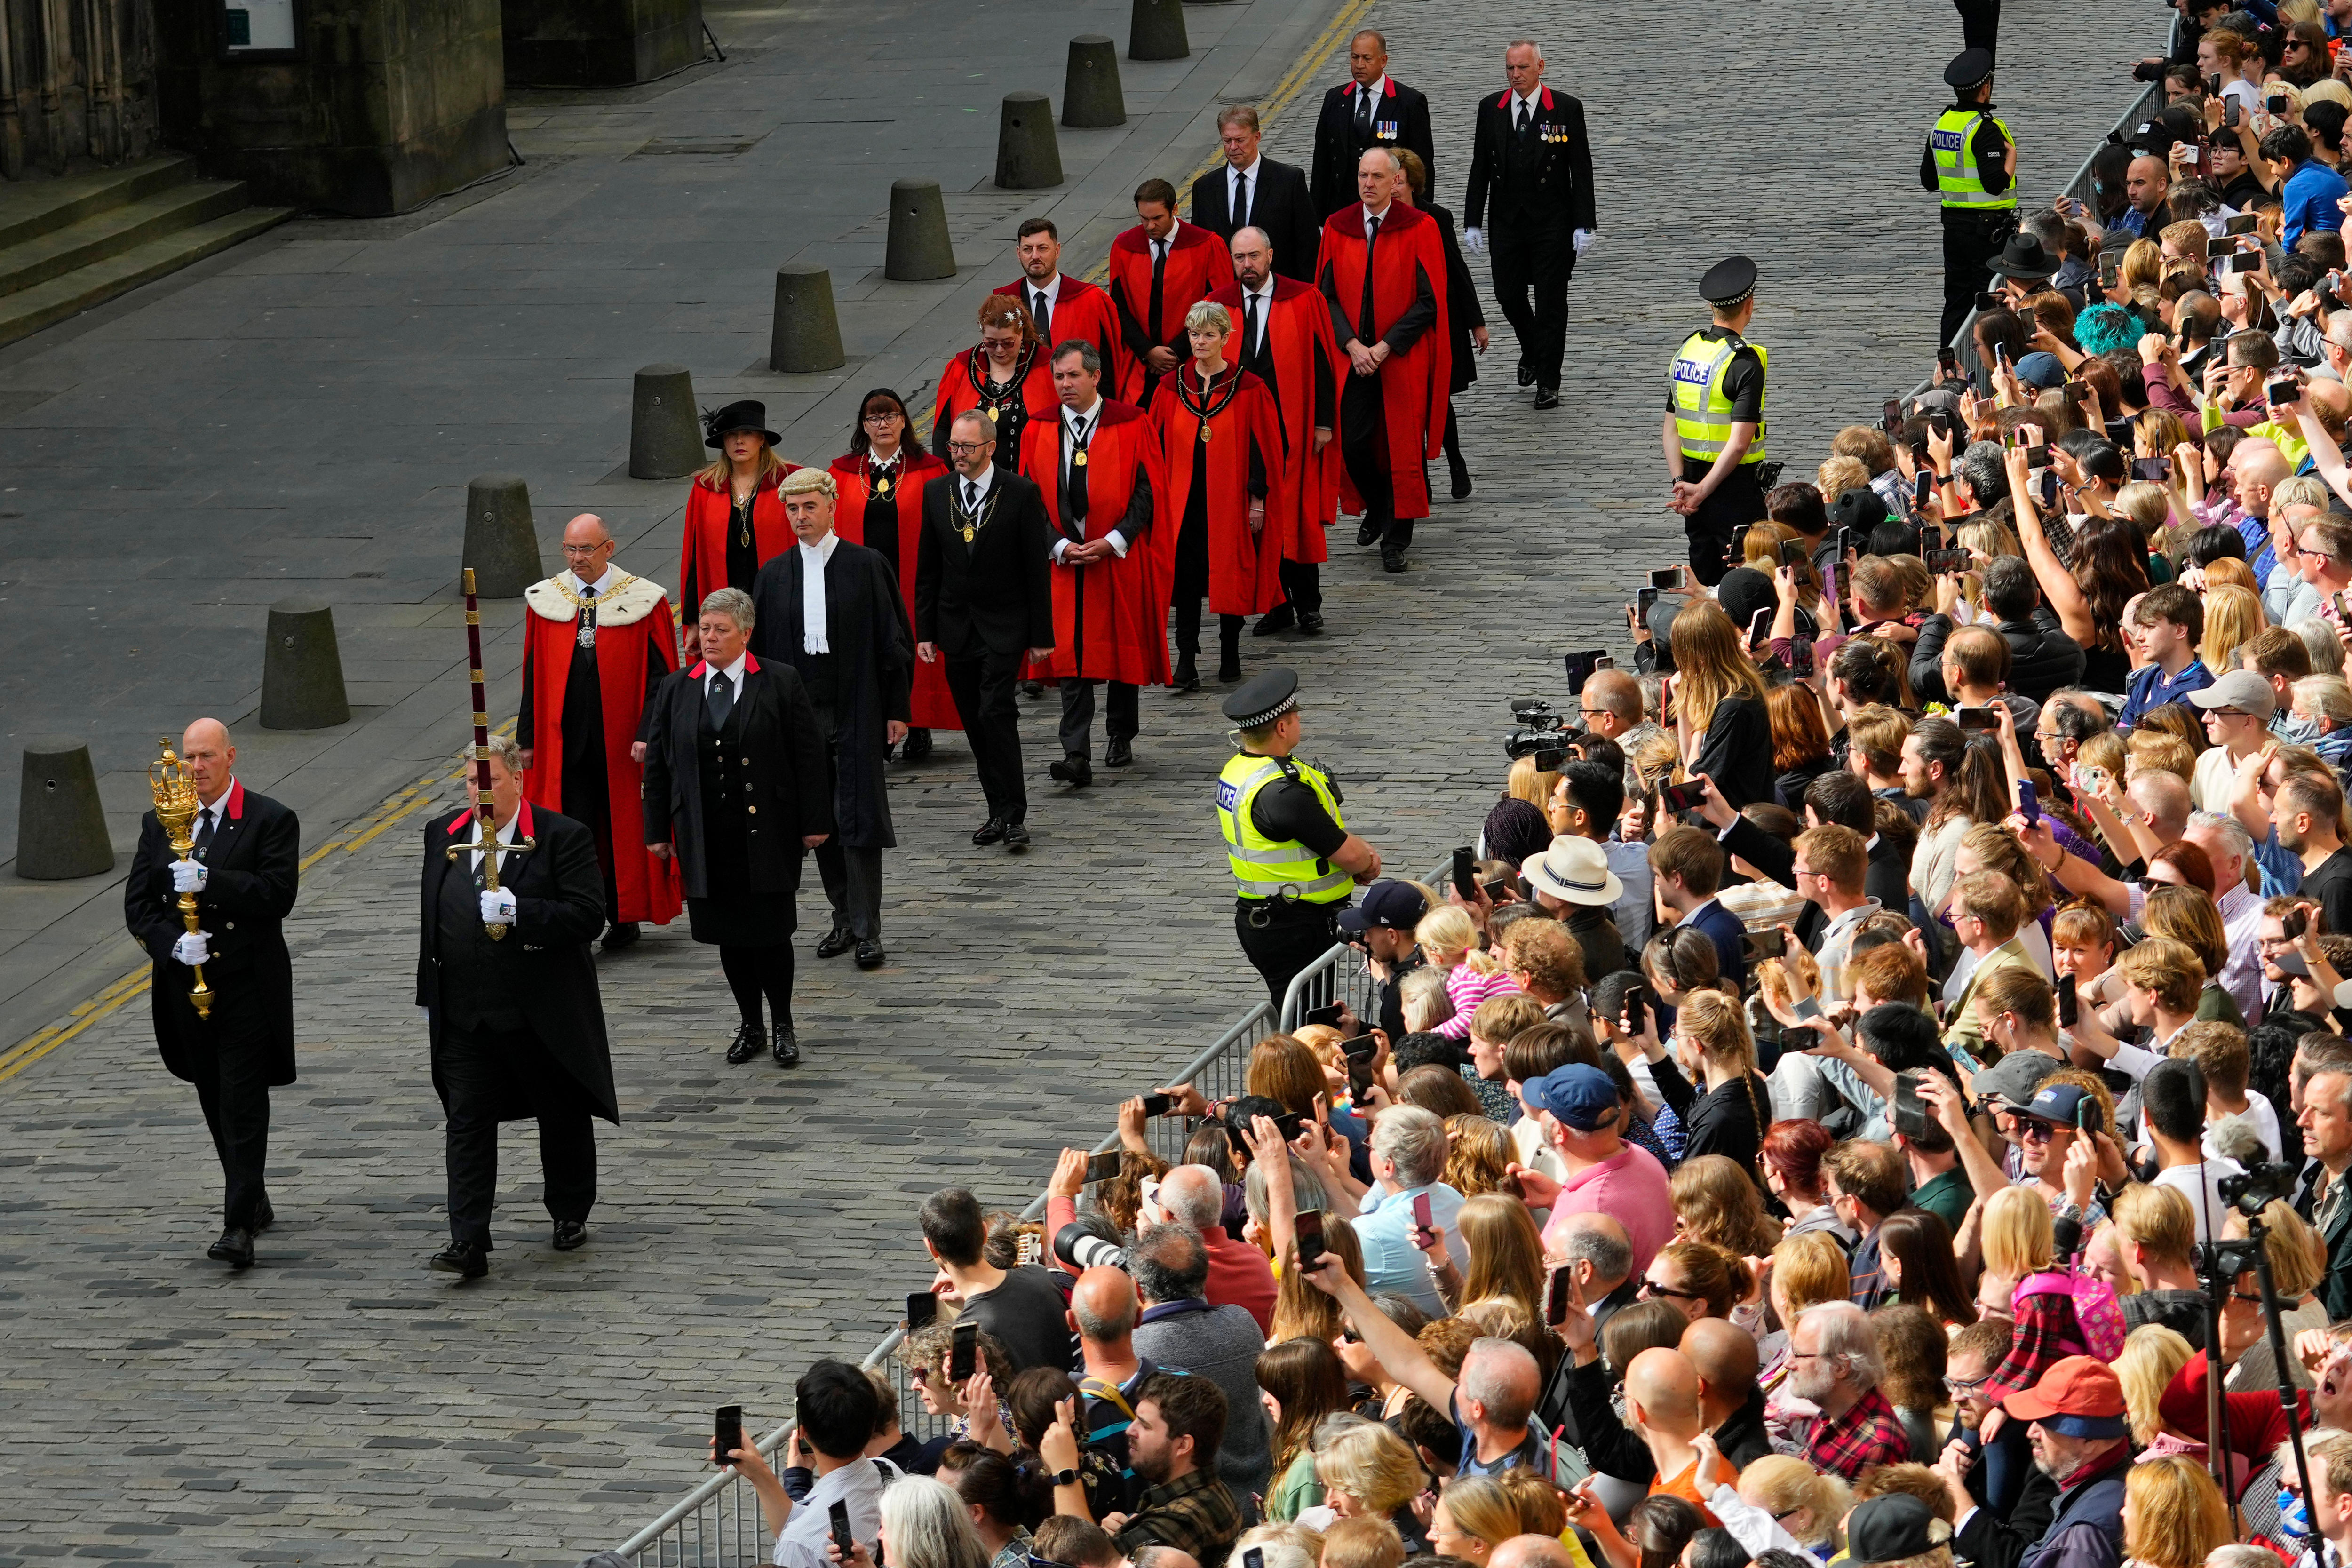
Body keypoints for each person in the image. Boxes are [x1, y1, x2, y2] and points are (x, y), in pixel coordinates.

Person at [416, 733, 616, 1279]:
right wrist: (430, 991)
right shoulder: (443, 834)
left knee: (561, 1114)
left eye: (491, 782)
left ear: (517, 780)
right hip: (465, 1013)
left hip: (539, 1014)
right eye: (470, 782)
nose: (479, 792)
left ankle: (569, 1210)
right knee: (467, 1122)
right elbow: (432, 918)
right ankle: (468, 1241)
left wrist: (522, 912)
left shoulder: (561, 837)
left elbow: (586, 916)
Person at [125, 717, 298, 1270]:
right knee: (213, 1093)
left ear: (231, 758)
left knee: (243, 1099)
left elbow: (277, 896)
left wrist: (210, 881)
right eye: (188, 759)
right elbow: (139, 907)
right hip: (187, 985)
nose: (195, 768)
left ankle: (237, 1226)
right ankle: (250, 1192)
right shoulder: (160, 823)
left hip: (245, 982)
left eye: (206, 757)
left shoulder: (269, 819)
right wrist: (173, 945)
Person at [641, 588, 834, 1067]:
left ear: (745, 634)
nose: (709, 638)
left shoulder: (779, 681)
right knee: (730, 936)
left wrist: (814, 821)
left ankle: (783, 1023)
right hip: (706, 836)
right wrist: (656, 829)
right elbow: (659, 768)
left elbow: (809, 757)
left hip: (766, 832)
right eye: (704, 628)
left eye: (720, 630)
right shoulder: (676, 687)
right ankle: (751, 1024)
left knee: (770, 934)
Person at [747, 468, 912, 971]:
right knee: (818, 818)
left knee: (858, 818)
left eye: (809, 507)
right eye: (792, 509)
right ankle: (841, 915)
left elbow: (893, 641)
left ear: (832, 506)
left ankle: (867, 929)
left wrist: (897, 711)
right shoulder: (773, 575)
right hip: (801, 714)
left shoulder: (865, 565)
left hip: (856, 704)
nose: (801, 517)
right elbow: (762, 656)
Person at [516, 514, 680, 952]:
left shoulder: (646, 601)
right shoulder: (548, 600)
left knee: (616, 831)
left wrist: (650, 733)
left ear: (609, 548)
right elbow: (533, 674)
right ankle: (575, 916)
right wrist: (527, 740)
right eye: (570, 549)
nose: (576, 559)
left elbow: (663, 678)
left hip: (622, 746)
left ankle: (621, 914)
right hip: (563, 746)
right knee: (570, 830)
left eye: (586, 549)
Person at [1019, 338, 1167, 782]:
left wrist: (1115, 539)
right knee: (1069, 652)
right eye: (1058, 377)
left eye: (1073, 376)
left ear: (1096, 376)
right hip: (1063, 558)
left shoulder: (1131, 423)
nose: (1064, 384)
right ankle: (1076, 753)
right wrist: (1059, 545)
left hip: (1116, 555)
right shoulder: (1038, 427)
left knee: (1119, 645)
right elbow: (1029, 500)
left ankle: (1121, 733)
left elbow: (1147, 492)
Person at [917, 411, 1057, 852]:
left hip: (1004, 624)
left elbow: (1037, 569)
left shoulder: (1019, 493)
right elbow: (928, 568)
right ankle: (996, 809)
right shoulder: (937, 493)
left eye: (967, 447)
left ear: (990, 448)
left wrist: (1041, 633)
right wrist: (924, 630)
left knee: (997, 712)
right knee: (976, 721)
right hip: (956, 625)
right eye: (954, 446)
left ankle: (1015, 814)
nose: (957, 454)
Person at [1318, 146, 1449, 576]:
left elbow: (1429, 302)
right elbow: (1327, 297)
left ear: (1396, 181)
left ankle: (1395, 540)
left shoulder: (1420, 227)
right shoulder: (1339, 227)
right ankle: (1377, 506)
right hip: (1353, 358)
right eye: (1362, 176)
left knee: (1402, 448)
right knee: (1354, 444)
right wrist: (1353, 345)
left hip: (1399, 358)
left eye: (1377, 176)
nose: (1368, 184)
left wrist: (1385, 346)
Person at [1217, 667, 1383, 1003]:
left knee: (1301, 1011)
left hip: (1269, 916)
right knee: (1307, 1020)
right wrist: (1365, 859)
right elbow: (1348, 855)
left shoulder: (1241, 770)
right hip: (1293, 925)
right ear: (1281, 727)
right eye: (1295, 717)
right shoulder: (1282, 792)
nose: (1298, 723)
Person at [1152, 300, 1288, 688]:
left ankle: (1230, 652)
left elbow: (1262, 449)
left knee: (1230, 574)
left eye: (1209, 334)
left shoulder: (1249, 387)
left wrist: (1257, 499)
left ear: (1226, 338)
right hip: (1185, 503)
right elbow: (1154, 446)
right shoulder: (1170, 387)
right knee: (1188, 580)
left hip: (1230, 500)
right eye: (1194, 333)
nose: (1200, 341)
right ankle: (1186, 662)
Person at [1212, 225, 1338, 638]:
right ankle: (1276, 604)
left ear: (1271, 255)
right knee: (1255, 521)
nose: (1246, 266)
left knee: (1295, 517)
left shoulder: (1304, 298)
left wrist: (1323, 422)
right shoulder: (1218, 306)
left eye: (1253, 257)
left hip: (1293, 424)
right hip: (1241, 431)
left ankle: (1308, 606)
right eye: (1239, 259)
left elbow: (1323, 364)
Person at [1462, 39, 1595, 414]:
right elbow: (1480, 168)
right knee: (1507, 293)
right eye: (1510, 69)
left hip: (1552, 222)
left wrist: (1584, 224)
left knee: (1551, 302)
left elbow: (1580, 169)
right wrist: (1473, 219)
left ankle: (1548, 380)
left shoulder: (1566, 108)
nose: (1515, 76)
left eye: (1522, 68)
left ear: (1541, 67)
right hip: (1506, 220)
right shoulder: (1491, 108)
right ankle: (1533, 348)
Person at [829, 388, 956, 765]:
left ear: (904, 420)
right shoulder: (843, 471)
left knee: (913, 644)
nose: (882, 425)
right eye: (874, 418)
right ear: (863, 426)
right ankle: (873, 725)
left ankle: (917, 723)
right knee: (868, 647)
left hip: (914, 574)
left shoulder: (931, 469)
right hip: (864, 577)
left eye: (890, 416)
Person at [1937, 1357, 2131, 1568]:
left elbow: (2015, 1558)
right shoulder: (2112, 1476)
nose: (2031, 1432)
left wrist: (1954, 1491)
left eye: (2046, 1423)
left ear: (2089, 1440)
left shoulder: (2084, 1536)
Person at [1129, 1225, 1272, 1503]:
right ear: (1204, 1278)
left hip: (1190, 1509)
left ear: (1137, 1287)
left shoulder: (1136, 1350)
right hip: (1257, 1494)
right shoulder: (1243, 1324)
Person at [718, 1360, 896, 1568]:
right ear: (874, 1423)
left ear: (802, 1430)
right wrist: (759, 1473)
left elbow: (803, 1534)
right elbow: (800, 1523)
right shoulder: (888, 1471)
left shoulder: (800, 1546)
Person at [1665, 257, 1769, 586]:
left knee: (1704, 580)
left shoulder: (1688, 351)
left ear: (1712, 307)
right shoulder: (1744, 362)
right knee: (1744, 582)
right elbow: (1739, 443)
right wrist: (1702, 491)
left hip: (1691, 481)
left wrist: (1682, 483)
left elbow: (1670, 429)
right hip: (1732, 489)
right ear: (1749, 306)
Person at [1394, 149, 1484, 502]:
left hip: (1439, 322)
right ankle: (1420, 476)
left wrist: (1477, 323)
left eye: (1400, 180)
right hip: (1399, 326)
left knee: (1438, 398)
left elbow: (1457, 271)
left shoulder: (1436, 217)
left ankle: (1455, 462)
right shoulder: (1378, 221)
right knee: (1408, 403)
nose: (1395, 187)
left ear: (1413, 184)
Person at [678, 399, 797, 651]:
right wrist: (693, 621)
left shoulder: (790, 482)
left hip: (780, 599)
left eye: (748, 434)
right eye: (732, 435)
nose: (739, 441)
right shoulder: (706, 488)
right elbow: (695, 557)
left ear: (762, 439)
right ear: (723, 442)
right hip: (726, 600)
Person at [1110, 179, 1235, 410]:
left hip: (1192, 358)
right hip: (1141, 362)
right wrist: (1148, 352)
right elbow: (1118, 307)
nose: (1150, 226)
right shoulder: (1124, 246)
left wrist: (1174, 353)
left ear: (1175, 210)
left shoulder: (1207, 245)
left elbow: (1219, 305)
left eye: (1157, 218)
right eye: (1144, 218)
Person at [1922, 49, 2016, 350]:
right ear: (1986, 88)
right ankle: (1993, 365)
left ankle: (1947, 364)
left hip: (1954, 228)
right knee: (1991, 300)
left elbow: (1928, 180)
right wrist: (2011, 157)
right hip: (1989, 231)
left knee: (1956, 301)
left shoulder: (1944, 124)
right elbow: (1995, 185)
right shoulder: (1985, 128)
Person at [1107, 1371, 1244, 1568]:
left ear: (1183, 1445)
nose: (1130, 1430)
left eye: (1145, 1426)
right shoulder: (1214, 1491)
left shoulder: (1181, 1521)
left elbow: (1091, 1563)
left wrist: (1066, 1474)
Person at [1308, 30, 1436, 218]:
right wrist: (1317, 218)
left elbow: (1423, 167)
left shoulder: (1409, 103)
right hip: (1343, 208)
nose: (1360, 65)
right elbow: (1322, 162)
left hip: (1390, 208)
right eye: (1355, 57)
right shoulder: (1334, 100)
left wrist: (1423, 213)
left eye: (1367, 59)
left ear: (1383, 61)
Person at [993, 217, 1126, 394]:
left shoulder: (1091, 300)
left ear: (1057, 251)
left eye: (1042, 248)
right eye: (1027, 249)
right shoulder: (1004, 302)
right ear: (1019, 253)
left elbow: (1108, 363)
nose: (1035, 256)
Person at [1191, 106, 1318, 283]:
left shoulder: (1289, 181)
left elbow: (1308, 245)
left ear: (1257, 137)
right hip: (1225, 296)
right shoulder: (1205, 188)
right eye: (1227, 141)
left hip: (1278, 291)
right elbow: (1199, 250)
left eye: (1240, 140)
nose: (1233, 147)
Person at [1789, 1301, 1912, 1480]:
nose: (1788, 1364)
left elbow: (1856, 1509)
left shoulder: (1877, 1447)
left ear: (1840, 1367)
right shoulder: (1832, 1410)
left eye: (1798, 1355)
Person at [933, 295, 1055, 472]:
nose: (999, 350)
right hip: (971, 478)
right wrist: (947, 478)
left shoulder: (1045, 367)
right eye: (991, 343)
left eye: (1008, 343)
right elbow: (942, 430)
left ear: (1021, 334)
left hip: (1028, 479)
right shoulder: (962, 367)